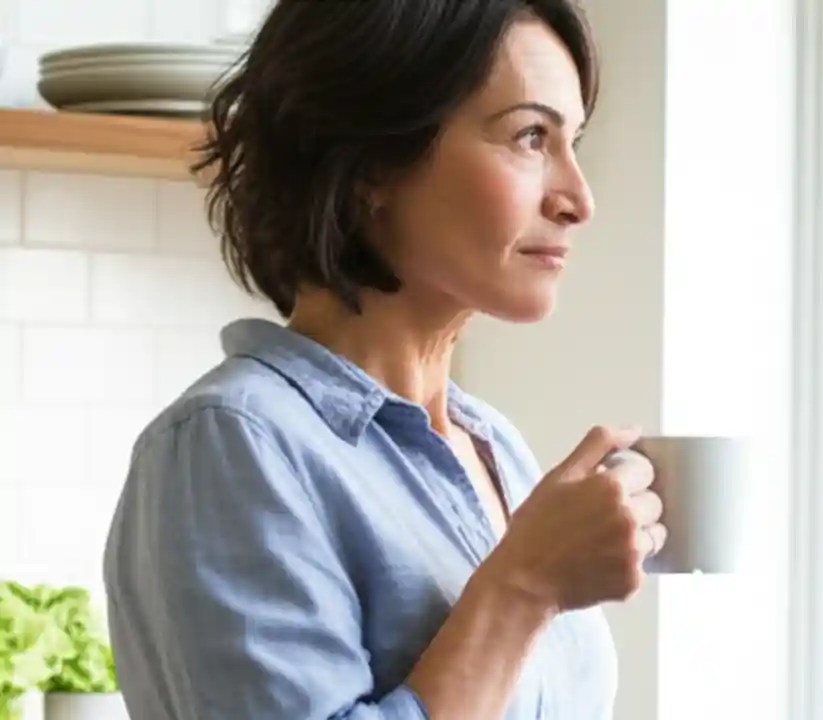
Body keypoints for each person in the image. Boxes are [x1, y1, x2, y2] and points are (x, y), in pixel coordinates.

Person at [102, 2, 667, 718]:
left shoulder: (494, 445)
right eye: (530, 136)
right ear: (372, 159)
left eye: (573, 141)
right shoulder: (231, 445)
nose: (578, 199)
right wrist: (523, 587)